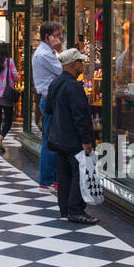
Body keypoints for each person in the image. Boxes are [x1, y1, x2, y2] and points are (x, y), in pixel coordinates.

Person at [46, 49, 99, 226]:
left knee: (64, 173)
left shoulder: (56, 83)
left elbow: (48, 109)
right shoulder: (74, 86)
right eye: (80, 62)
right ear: (73, 64)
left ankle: (65, 207)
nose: (83, 65)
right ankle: (75, 210)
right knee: (78, 173)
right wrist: (87, 140)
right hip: (72, 138)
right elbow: (80, 116)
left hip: (58, 138)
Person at [32, 21, 64, 190]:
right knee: (50, 139)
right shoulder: (45, 54)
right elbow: (65, 69)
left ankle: (50, 178)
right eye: (58, 35)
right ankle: (47, 178)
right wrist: (60, 51)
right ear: (48, 36)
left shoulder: (47, 52)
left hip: (51, 98)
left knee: (51, 137)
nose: (61, 38)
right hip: (50, 99)